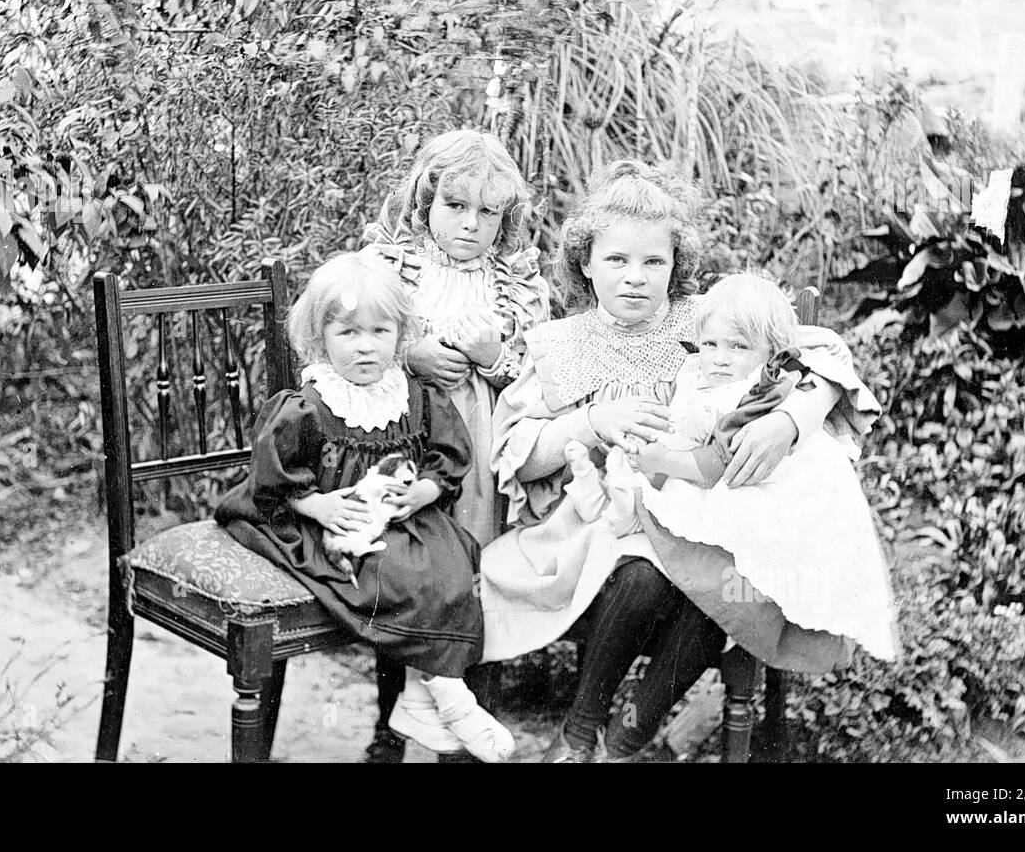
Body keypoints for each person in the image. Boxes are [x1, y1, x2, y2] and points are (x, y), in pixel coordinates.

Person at [480, 160, 880, 762]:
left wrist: (789, 417)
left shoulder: (706, 324)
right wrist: (589, 422)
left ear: (676, 266)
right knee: (645, 576)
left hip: (702, 519)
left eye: (654, 262)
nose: (636, 278)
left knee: (720, 589)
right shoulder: (559, 343)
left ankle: (625, 740)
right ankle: (579, 728)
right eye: (617, 261)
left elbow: (821, 351)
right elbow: (517, 456)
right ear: (586, 263)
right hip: (598, 524)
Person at [214, 254, 514, 762]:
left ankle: (421, 696)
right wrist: (315, 504)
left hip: (402, 517)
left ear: (401, 335)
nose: (366, 345)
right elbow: (271, 477)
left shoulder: (413, 396)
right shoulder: (310, 404)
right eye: (348, 332)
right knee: (402, 574)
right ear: (319, 337)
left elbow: (447, 454)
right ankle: (446, 693)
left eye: (380, 330)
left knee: (456, 563)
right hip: (333, 524)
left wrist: (429, 489)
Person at [568, 273, 899, 665]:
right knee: (629, 482)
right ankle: (610, 503)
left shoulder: (754, 395)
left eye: (738, 347)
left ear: (771, 353)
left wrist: (659, 459)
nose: (720, 358)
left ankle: (619, 510)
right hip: (698, 477)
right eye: (710, 345)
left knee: (670, 525)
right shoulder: (699, 374)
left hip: (745, 493)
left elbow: (714, 464)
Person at [360, 130, 550, 761]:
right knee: (410, 570)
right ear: (425, 201)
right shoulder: (391, 267)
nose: (469, 225)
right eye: (455, 206)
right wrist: (409, 354)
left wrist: (496, 359)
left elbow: (536, 373)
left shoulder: (513, 282)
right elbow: (348, 337)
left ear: (506, 219)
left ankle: (464, 733)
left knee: (473, 574)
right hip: (405, 439)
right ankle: (388, 729)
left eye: (487, 213)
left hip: (479, 447)